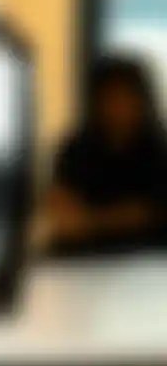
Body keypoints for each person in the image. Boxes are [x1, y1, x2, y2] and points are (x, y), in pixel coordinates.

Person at [43, 55, 167, 254]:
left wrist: (90, 221)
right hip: (81, 256)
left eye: (126, 97)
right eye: (110, 97)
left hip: (147, 256)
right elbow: (61, 206)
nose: (118, 106)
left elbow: (145, 213)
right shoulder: (76, 147)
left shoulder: (159, 148)